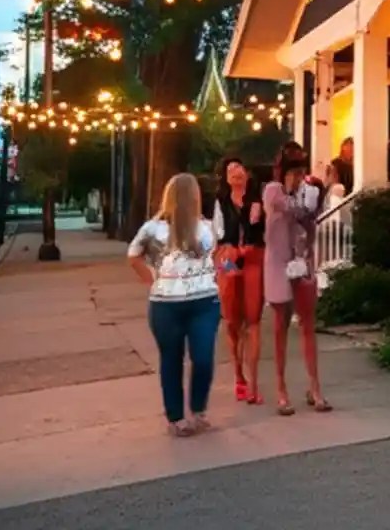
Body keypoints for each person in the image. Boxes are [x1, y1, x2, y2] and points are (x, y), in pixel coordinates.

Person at [127, 173, 220, 437]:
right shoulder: (153, 229)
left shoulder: (206, 227)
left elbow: (216, 255)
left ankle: (198, 408)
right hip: (166, 306)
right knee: (171, 359)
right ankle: (176, 416)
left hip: (204, 301)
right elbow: (133, 256)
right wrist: (152, 280)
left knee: (203, 358)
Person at [264, 144, 331, 416]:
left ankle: (315, 387)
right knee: (280, 325)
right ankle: (281, 389)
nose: (298, 176)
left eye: (302, 171)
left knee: (307, 324)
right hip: (279, 265)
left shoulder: (307, 192)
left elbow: (311, 219)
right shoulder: (273, 191)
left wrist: (315, 198)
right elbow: (292, 208)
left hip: (302, 263)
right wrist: (309, 198)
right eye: (293, 171)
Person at [212, 157, 266, 405]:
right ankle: (238, 375)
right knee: (233, 321)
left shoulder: (259, 199)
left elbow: (267, 231)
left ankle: (254, 382)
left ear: (247, 173)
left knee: (253, 319)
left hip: (254, 255)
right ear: (225, 177)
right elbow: (218, 239)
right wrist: (228, 266)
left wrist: (261, 212)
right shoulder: (220, 204)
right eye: (230, 170)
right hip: (228, 256)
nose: (235, 172)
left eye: (239, 168)